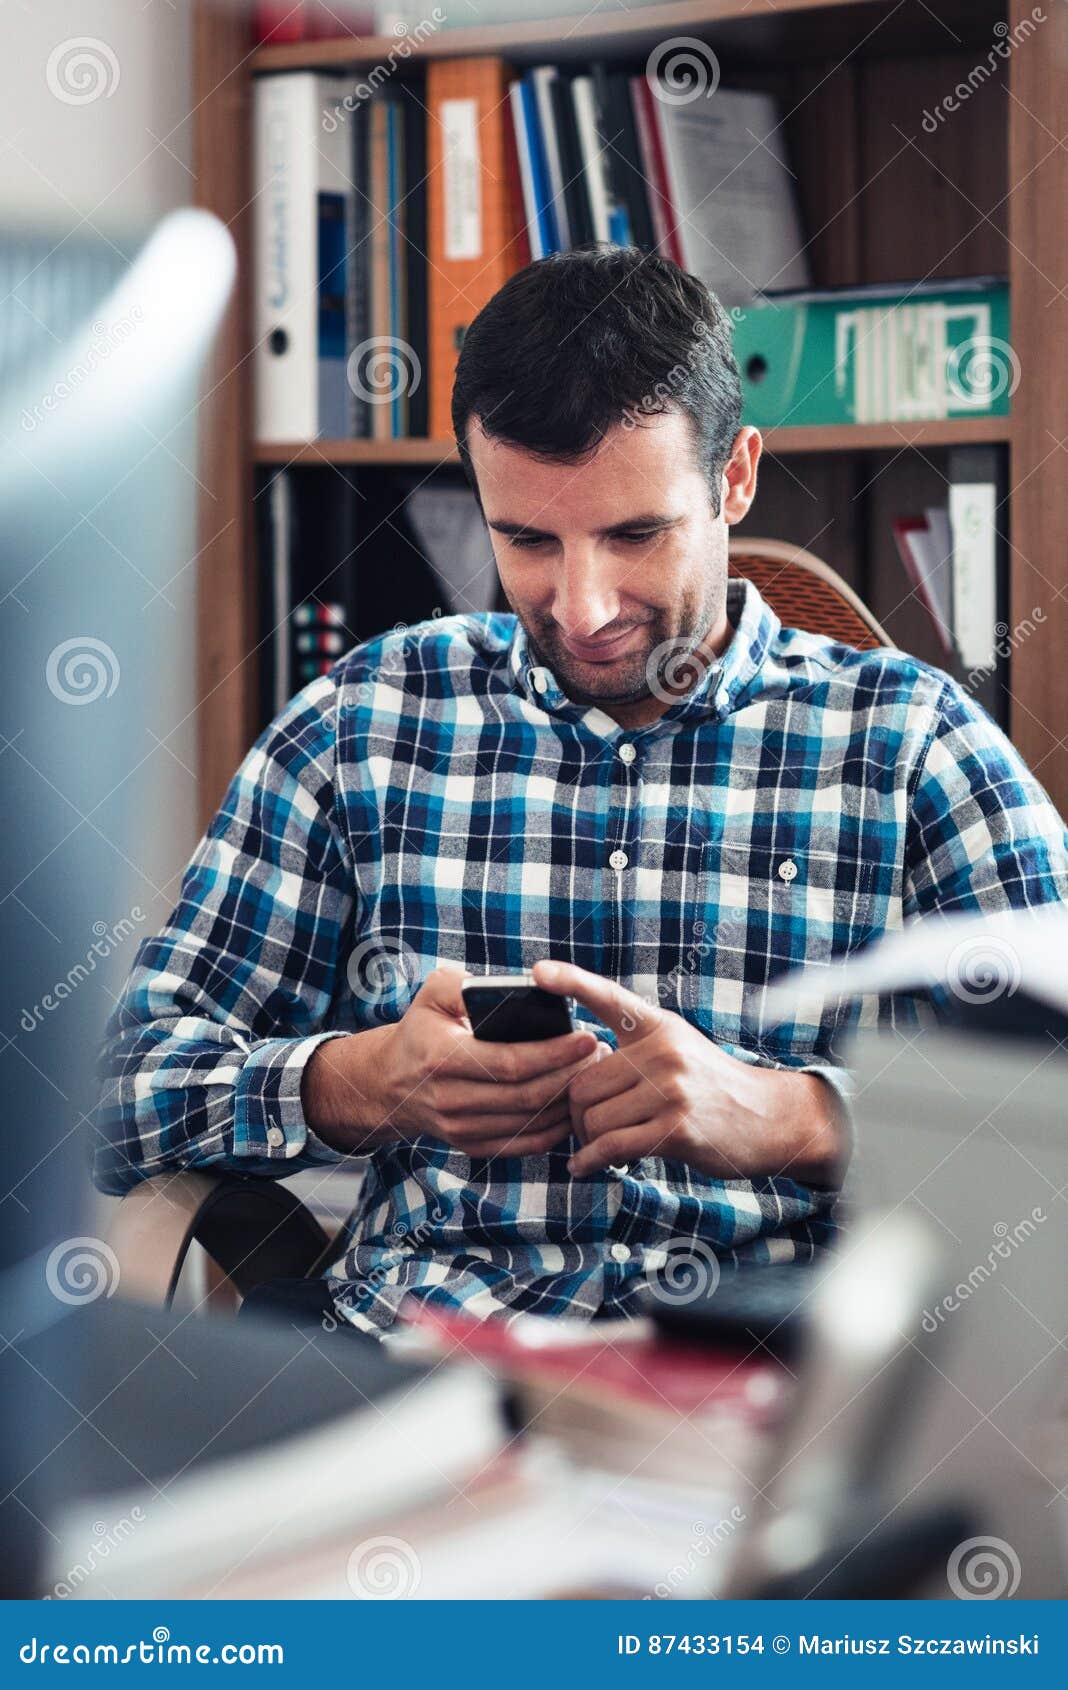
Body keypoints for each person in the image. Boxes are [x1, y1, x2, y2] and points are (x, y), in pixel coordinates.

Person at [93, 247, 1068, 1337]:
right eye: (527, 540)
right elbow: (116, 1093)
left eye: (634, 534)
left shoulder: (912, 741)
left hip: (758, 1377)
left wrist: (795, 1116)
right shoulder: (364, 721)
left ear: (735, 477)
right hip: (423, 1363)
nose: (583, 606)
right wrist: (356, 1084)